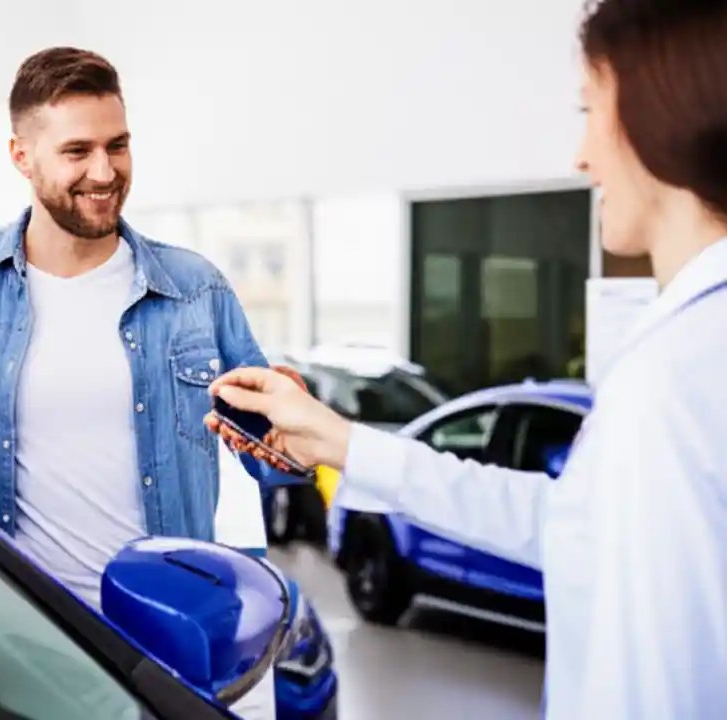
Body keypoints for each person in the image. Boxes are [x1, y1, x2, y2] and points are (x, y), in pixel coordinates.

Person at [207, 1, 727, 717]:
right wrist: (337, 440)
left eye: (590, 112)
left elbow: (652, 686)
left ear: (663, 122)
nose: (582, 155)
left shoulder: (670, 380)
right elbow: (569, 523)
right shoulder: (695, 353)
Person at [0, 47, 284, 716]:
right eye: (77, 151)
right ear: (21, 156)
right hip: (18, 645)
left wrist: (290, 434)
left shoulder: (195, 289)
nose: (105, 171)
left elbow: (272, 452)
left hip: (164, 649)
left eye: (118, 145)